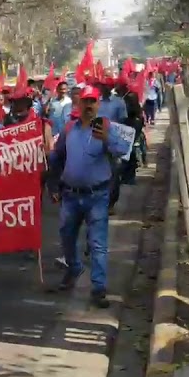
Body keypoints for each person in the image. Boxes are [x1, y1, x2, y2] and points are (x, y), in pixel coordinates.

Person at [48, 86, 129, 308]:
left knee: (97, 245)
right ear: (79, 104)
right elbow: (57, 156)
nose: (89, 105)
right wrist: (47, 169)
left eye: (93, 101)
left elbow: (123, 150)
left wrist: (107, 141)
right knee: (66, 236)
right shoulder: (69, 129)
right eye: (86, 101)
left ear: (98, 105)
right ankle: (74, 268)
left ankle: (99, 289)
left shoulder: (106, 127)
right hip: (71, 196)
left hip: (97, 196)